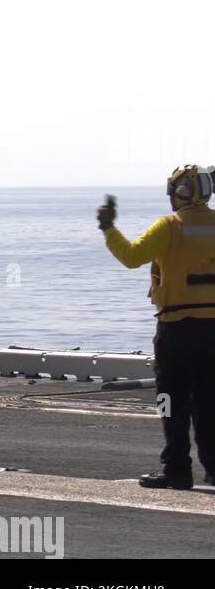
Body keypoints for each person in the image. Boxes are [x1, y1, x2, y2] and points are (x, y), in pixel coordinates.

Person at [98, 165, 215, 490]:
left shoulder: (170, 227)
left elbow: (132, 256)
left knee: (169, 400)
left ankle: (176, 470)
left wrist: (108, 227)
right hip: (213, 330)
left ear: (179, 192)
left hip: (176, 330)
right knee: (209, 402)